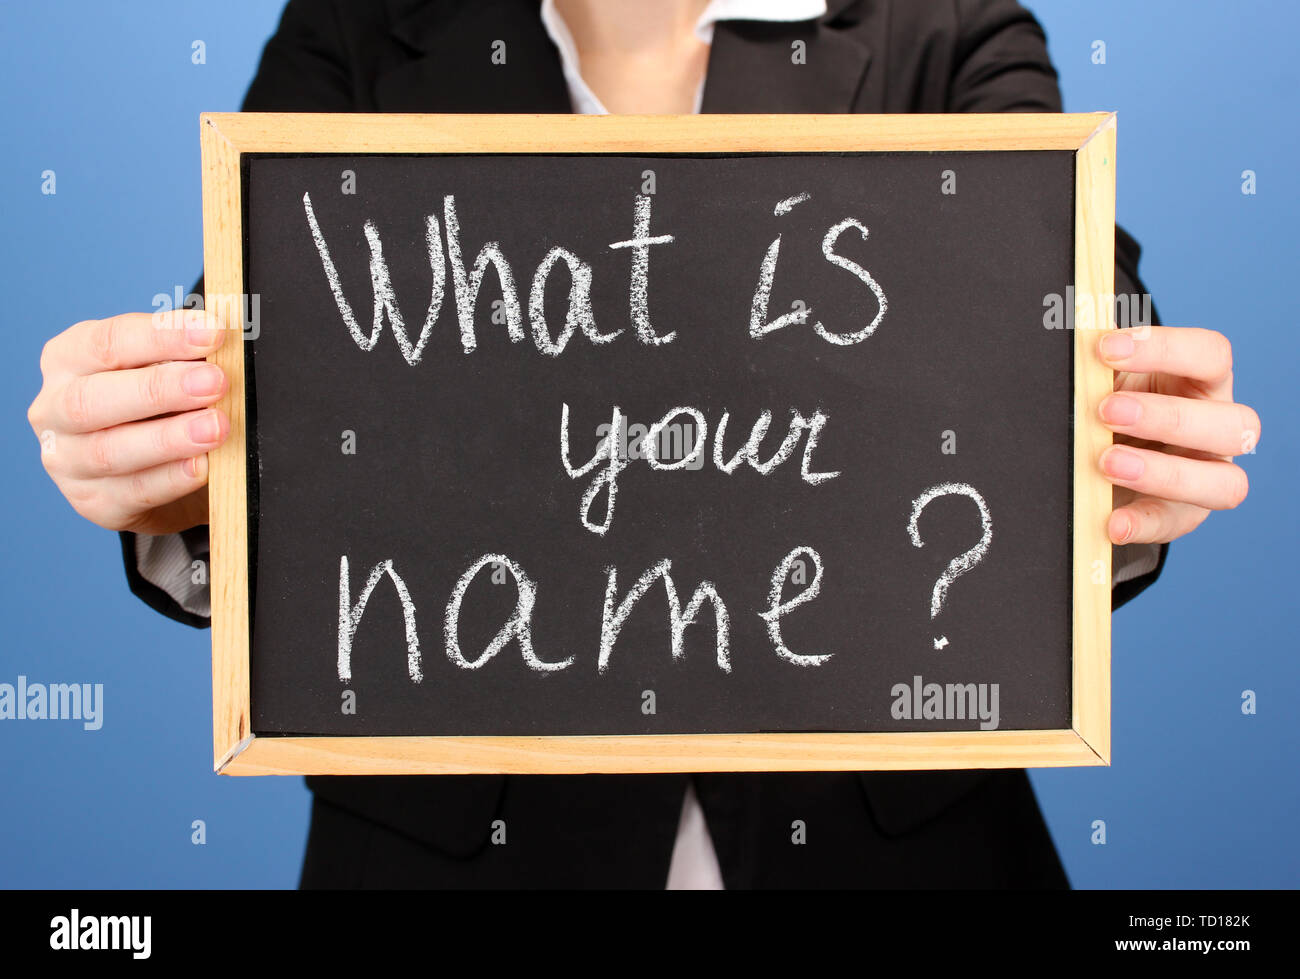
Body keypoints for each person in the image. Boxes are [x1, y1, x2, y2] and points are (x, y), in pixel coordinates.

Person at [27, 0, 1259, 888]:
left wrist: (1135, 435)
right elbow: (250, 397)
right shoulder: (358, 32)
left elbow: (1083, 311)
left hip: (895, 847)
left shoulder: (941, 27)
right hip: (450, 855)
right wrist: (154, 466)